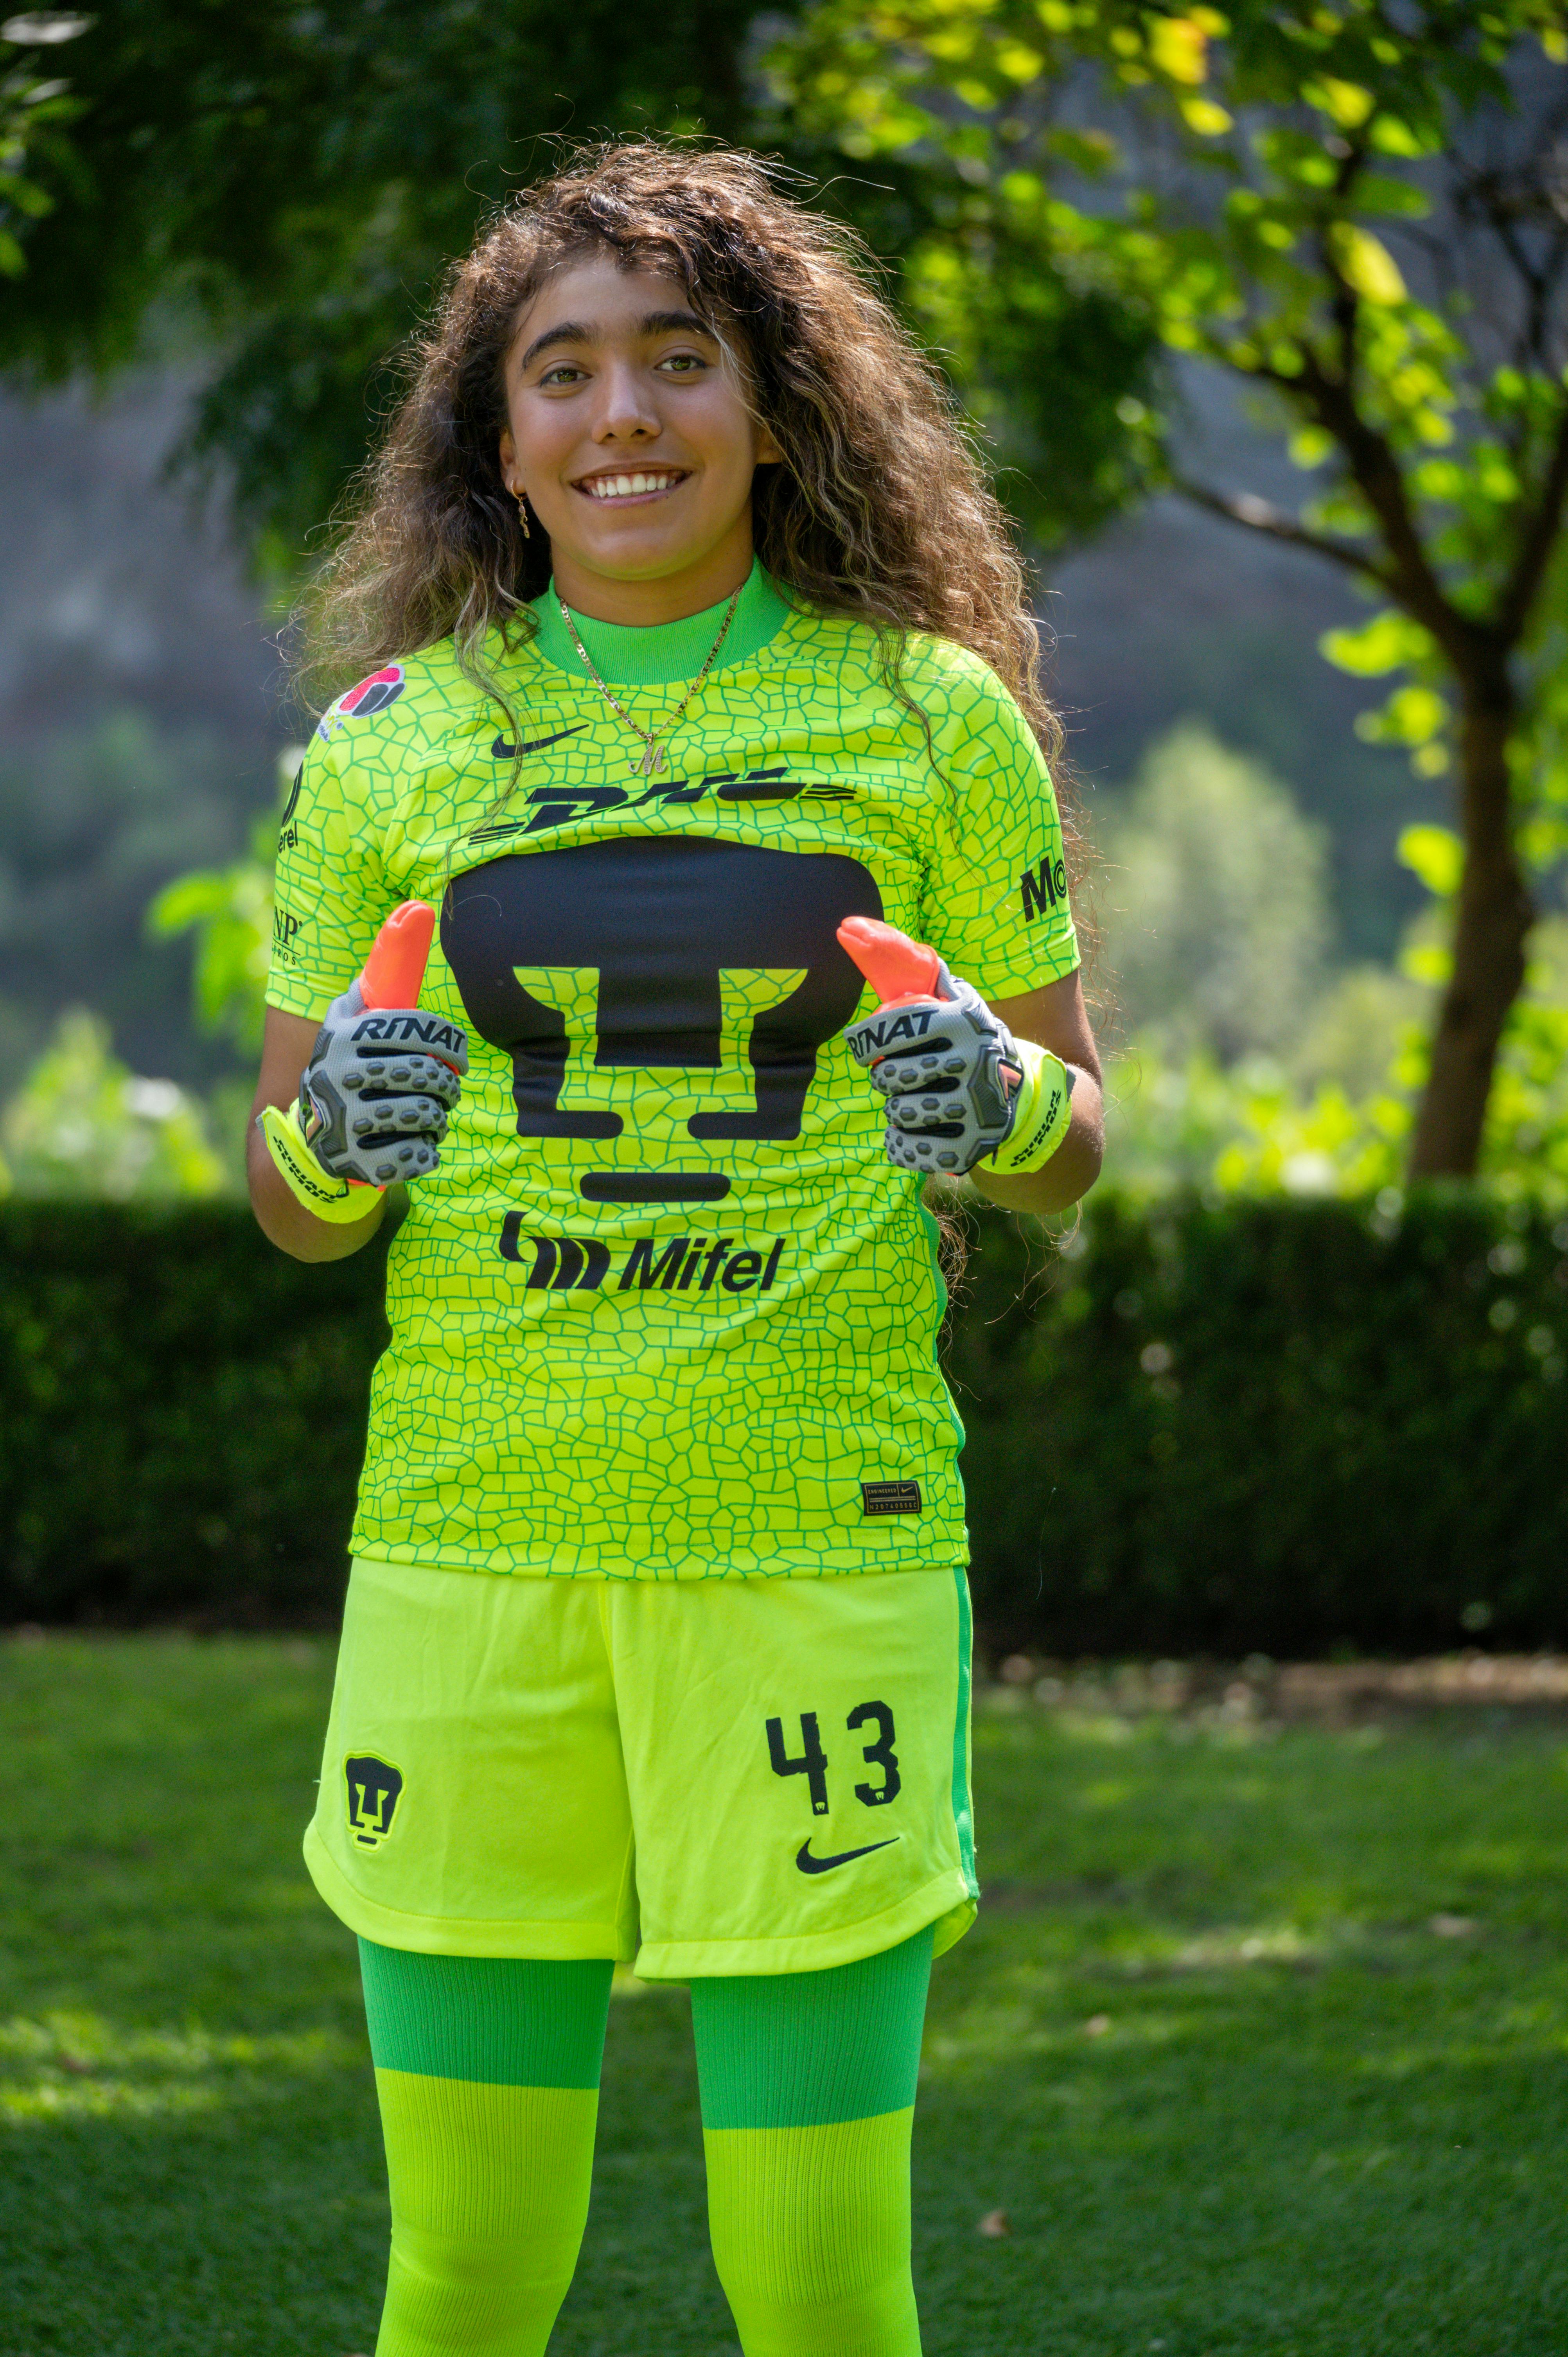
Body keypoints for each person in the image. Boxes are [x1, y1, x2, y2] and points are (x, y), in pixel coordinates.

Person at [250, 141, 1103, 2357]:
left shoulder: (931, 716)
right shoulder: (378, 751)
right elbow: (290, 1192)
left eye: (679, 359)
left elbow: (1069, 1136)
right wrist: (336, 1136)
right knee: (464, 2269)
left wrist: (1001, 1113)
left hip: (816, 1532)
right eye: (564, 372)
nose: (622, 411)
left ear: (772, 407)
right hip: (472, 1537)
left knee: (820, 2285)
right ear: (499, 442)